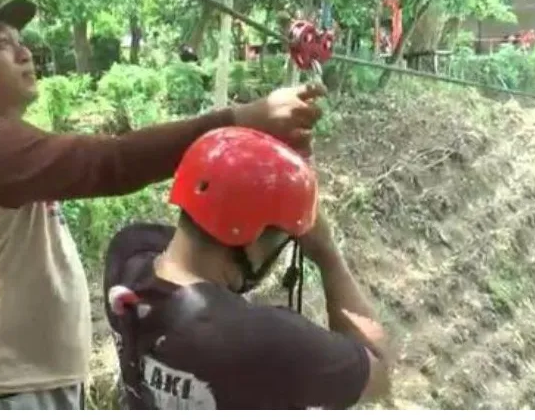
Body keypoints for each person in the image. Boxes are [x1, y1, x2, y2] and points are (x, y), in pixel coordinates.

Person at [0, 0, 326, 410]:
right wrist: (237, 120)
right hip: (1, 390)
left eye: (19, 41)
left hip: (18, 382)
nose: (24, 52)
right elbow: (112, 163)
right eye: (1, 45)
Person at [103, 126, 391, 410]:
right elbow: (378, 372)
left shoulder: (126, 256)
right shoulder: (268, 342)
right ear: (252, 241)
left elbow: (192, 241)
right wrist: (327, 254)